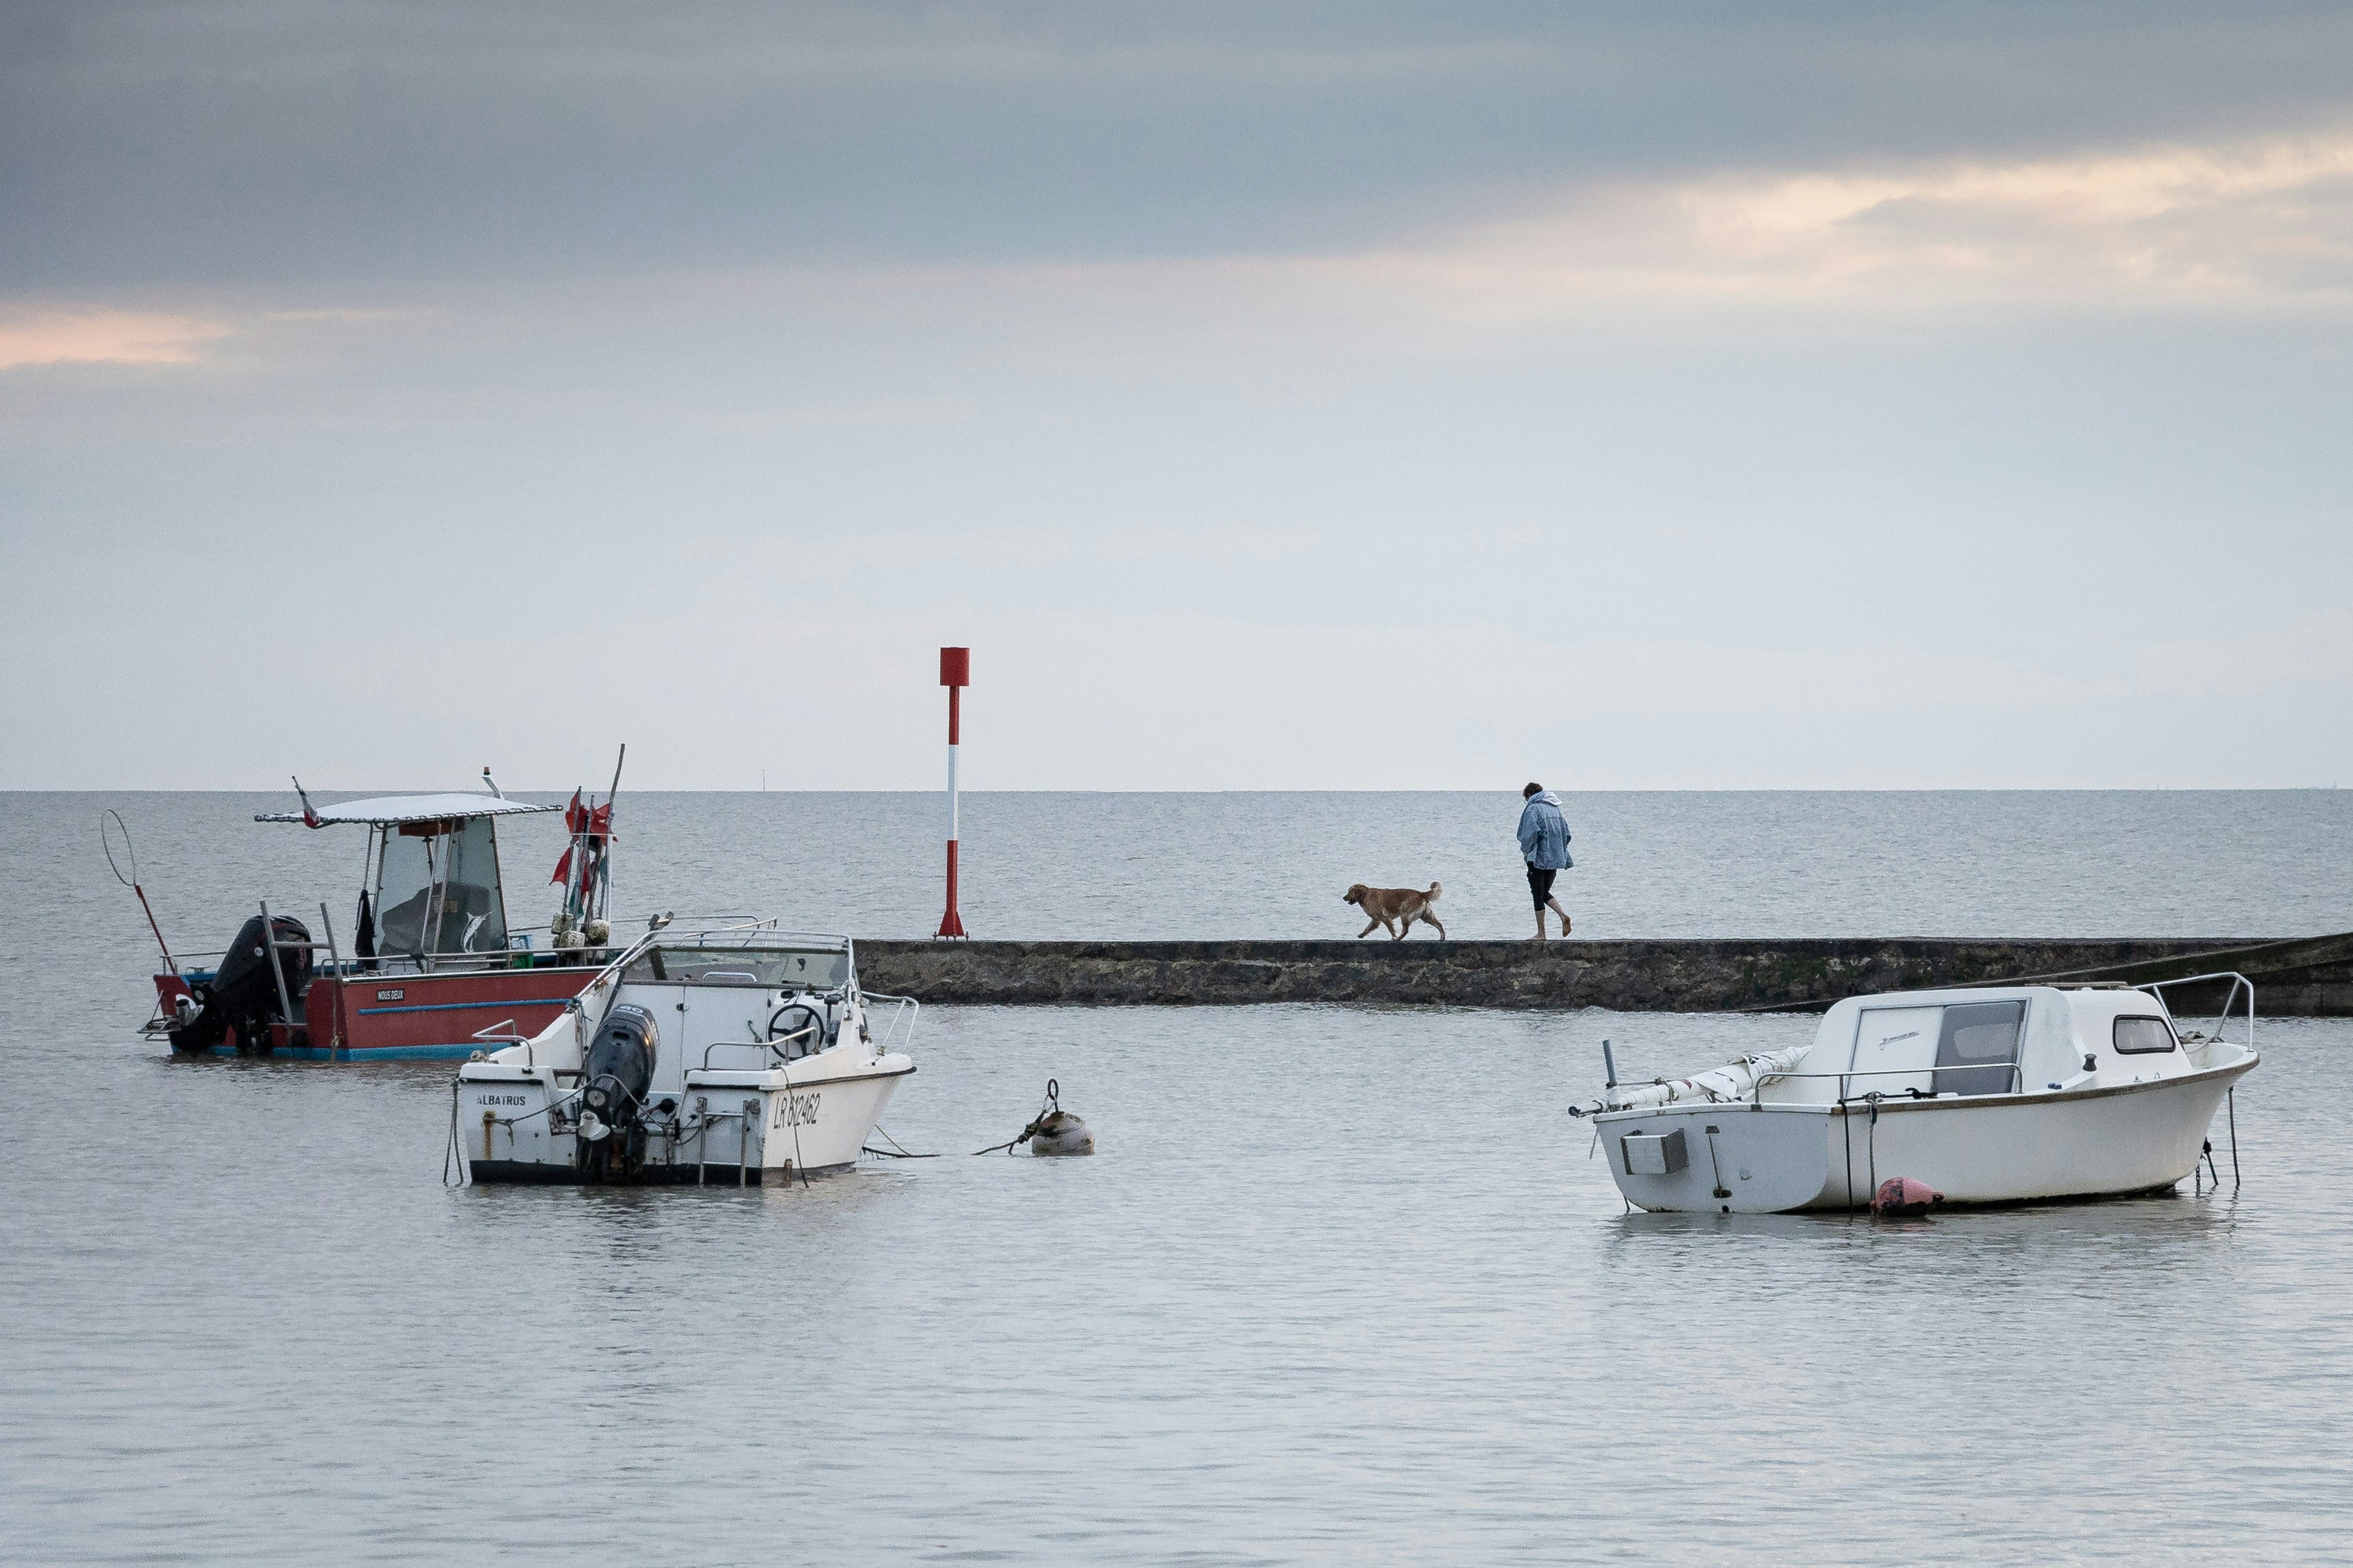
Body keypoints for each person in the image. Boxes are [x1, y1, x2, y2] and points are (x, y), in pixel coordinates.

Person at [1516, 782, 1573, 940]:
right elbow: (1567, 835)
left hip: (1538, 859)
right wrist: (1558, 851)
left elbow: (1528, 835)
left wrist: (1527, 853)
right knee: (1543, 893)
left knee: (1537, 894)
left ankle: (1542, 933)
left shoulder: (1533, 809)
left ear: (1528, 796)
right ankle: (1563, 916)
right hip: (1555, 860)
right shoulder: (1555, 808)